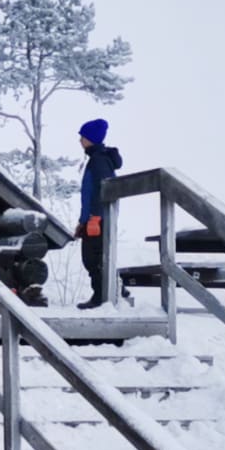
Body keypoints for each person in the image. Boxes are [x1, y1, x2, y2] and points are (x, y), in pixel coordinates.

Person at [75, 118, 123, 310]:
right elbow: (89, 194)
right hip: (94, 218)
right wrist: (82, 221)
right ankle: (111, 292)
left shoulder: (99, 160)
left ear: (91, 139)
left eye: (83, 137)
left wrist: (95, 217)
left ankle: (103, 296)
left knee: (94, 259)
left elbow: (104, 190)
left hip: (99, 219)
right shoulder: (97, 158)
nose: (80, 140)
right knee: (93, 258)